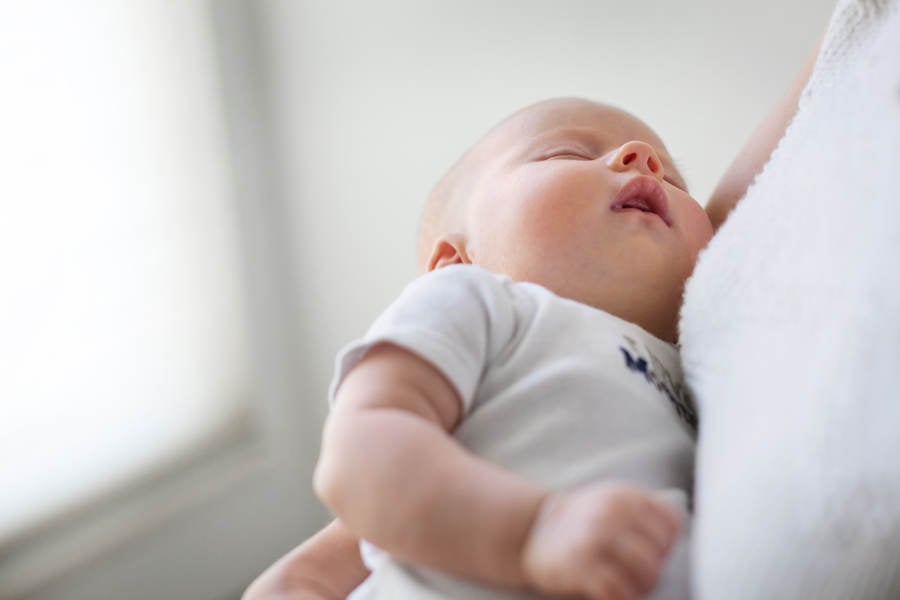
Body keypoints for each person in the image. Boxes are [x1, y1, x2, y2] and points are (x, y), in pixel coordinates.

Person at [247, 96, 713, 600]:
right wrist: (532, 530)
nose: (642, 157)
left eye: (673, 180)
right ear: (456, 261)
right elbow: (361, 454)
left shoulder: (700, 366)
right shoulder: (479, 301)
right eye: (566, 153)